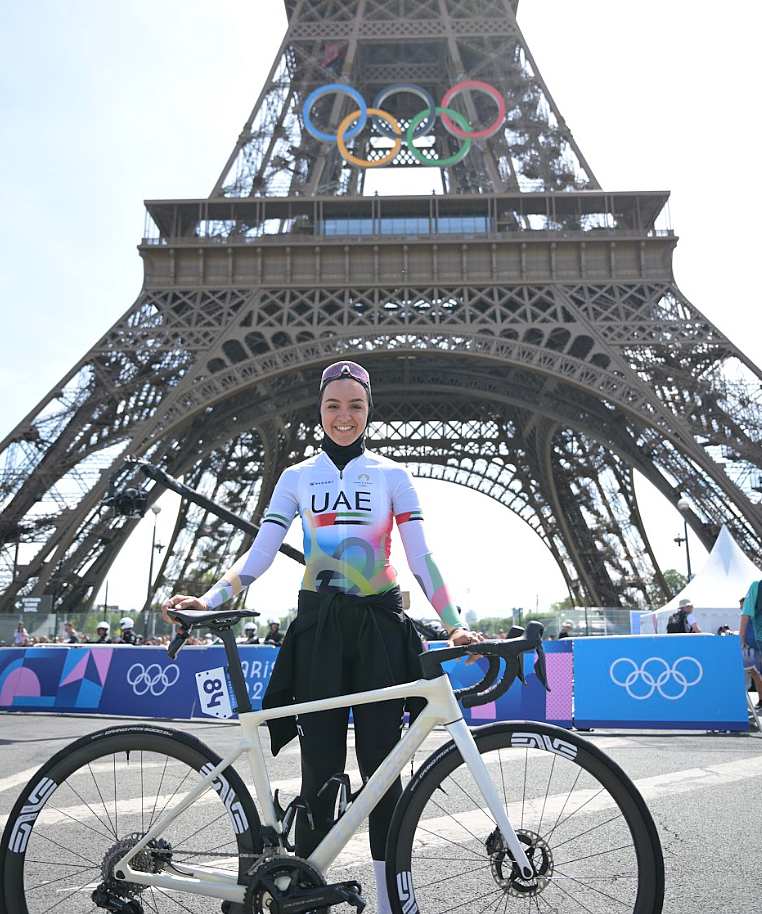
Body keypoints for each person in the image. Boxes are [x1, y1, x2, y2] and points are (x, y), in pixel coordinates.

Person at [163, 359, 481, 914]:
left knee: (384, 771)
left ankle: (389, 903)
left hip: (381, 629)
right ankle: (309, 899)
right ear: (320, 408)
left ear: (368, 410)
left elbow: (419, 557)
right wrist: (209, 599)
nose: (343, 415)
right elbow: (260, 555)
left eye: (355, 405)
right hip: (320, 632)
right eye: (333, 405)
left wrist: (453, 619)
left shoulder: (391, 476)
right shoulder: (295, 478)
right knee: (320, 773)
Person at [739, 583, 762, 711]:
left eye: (742, 605)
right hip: (750, 649)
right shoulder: (745, 618)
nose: (741, 607)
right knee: (754, 674)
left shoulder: (754, 617)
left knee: (756, 674)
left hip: (756, 648)